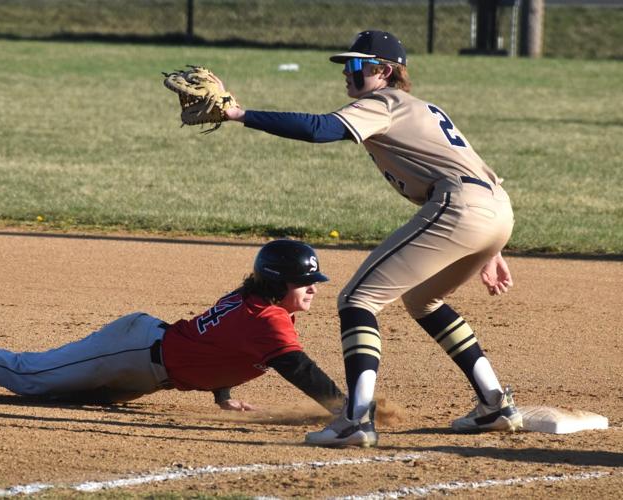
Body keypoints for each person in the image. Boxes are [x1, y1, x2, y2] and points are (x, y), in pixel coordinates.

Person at [219, 30, 522, 446]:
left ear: (383, 70)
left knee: (358, 299)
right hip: (494, 209)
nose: (347, 72)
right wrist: (493, 246)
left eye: (356, 64)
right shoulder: (423, 108)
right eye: (347, 64)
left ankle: (356, 419)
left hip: (462, 207)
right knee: (423, 300)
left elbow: (320, 129)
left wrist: (240, 115)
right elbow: (482, 176)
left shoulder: (383, 103)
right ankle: (494, 403)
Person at [0, 239, 345, 414]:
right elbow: (298, 369)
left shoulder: (254, 304)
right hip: (133, 352)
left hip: (144, 364)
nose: (314, 289)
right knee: (29, 378)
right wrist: (346, 411)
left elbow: (219, 347)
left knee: (52, 392)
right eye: (306, 282)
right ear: (279, 283)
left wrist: (221, 393)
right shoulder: (266, 319)